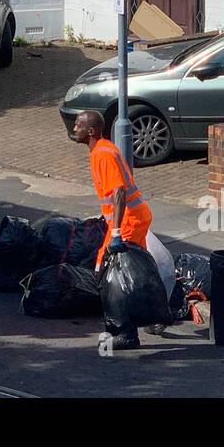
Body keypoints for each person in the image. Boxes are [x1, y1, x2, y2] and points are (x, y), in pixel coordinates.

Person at [72, 109, 153, 350]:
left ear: (92, 130)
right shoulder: (101, 150)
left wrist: (116, 232)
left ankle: (125, 333)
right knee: (132, 272)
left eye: (78, 125)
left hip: (128, 221)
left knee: (112, 275)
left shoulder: (103, 154)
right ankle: (152, 314)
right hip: (132, 218)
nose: (74, 128)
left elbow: (118, 191)